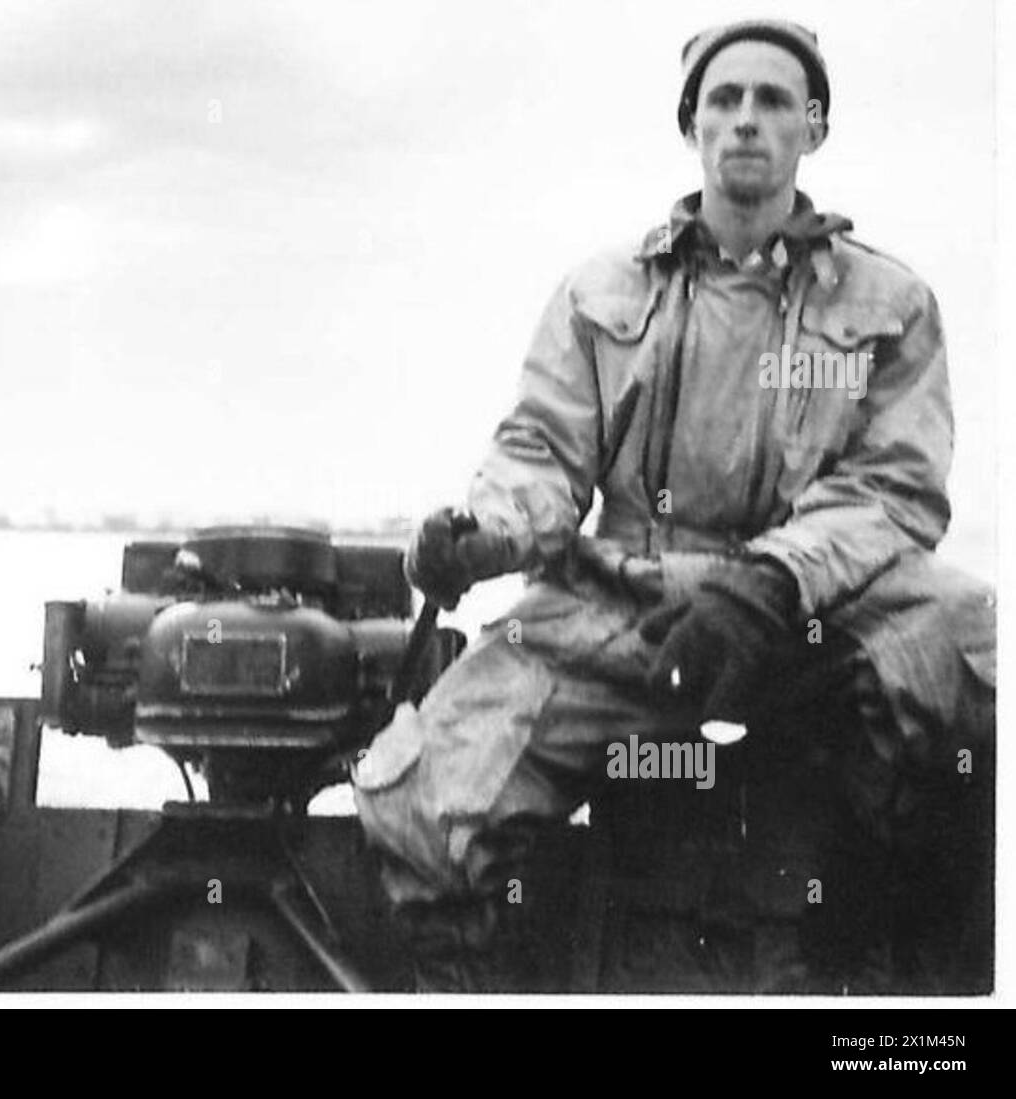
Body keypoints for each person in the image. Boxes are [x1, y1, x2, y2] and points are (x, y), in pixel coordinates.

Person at [352, 18, 995, 993]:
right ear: (690, 122)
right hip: (625, 609)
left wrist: (771, 581)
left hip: (810, 617)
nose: (746, 121)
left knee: (961, 642)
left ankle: (887, 975)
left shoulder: (890, 302)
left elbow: (894, 489)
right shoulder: (601, 290)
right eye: (724, 100)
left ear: (812, 126)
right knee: (424, 803)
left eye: (773, 100)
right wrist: (476, 537)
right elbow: (542, 452)